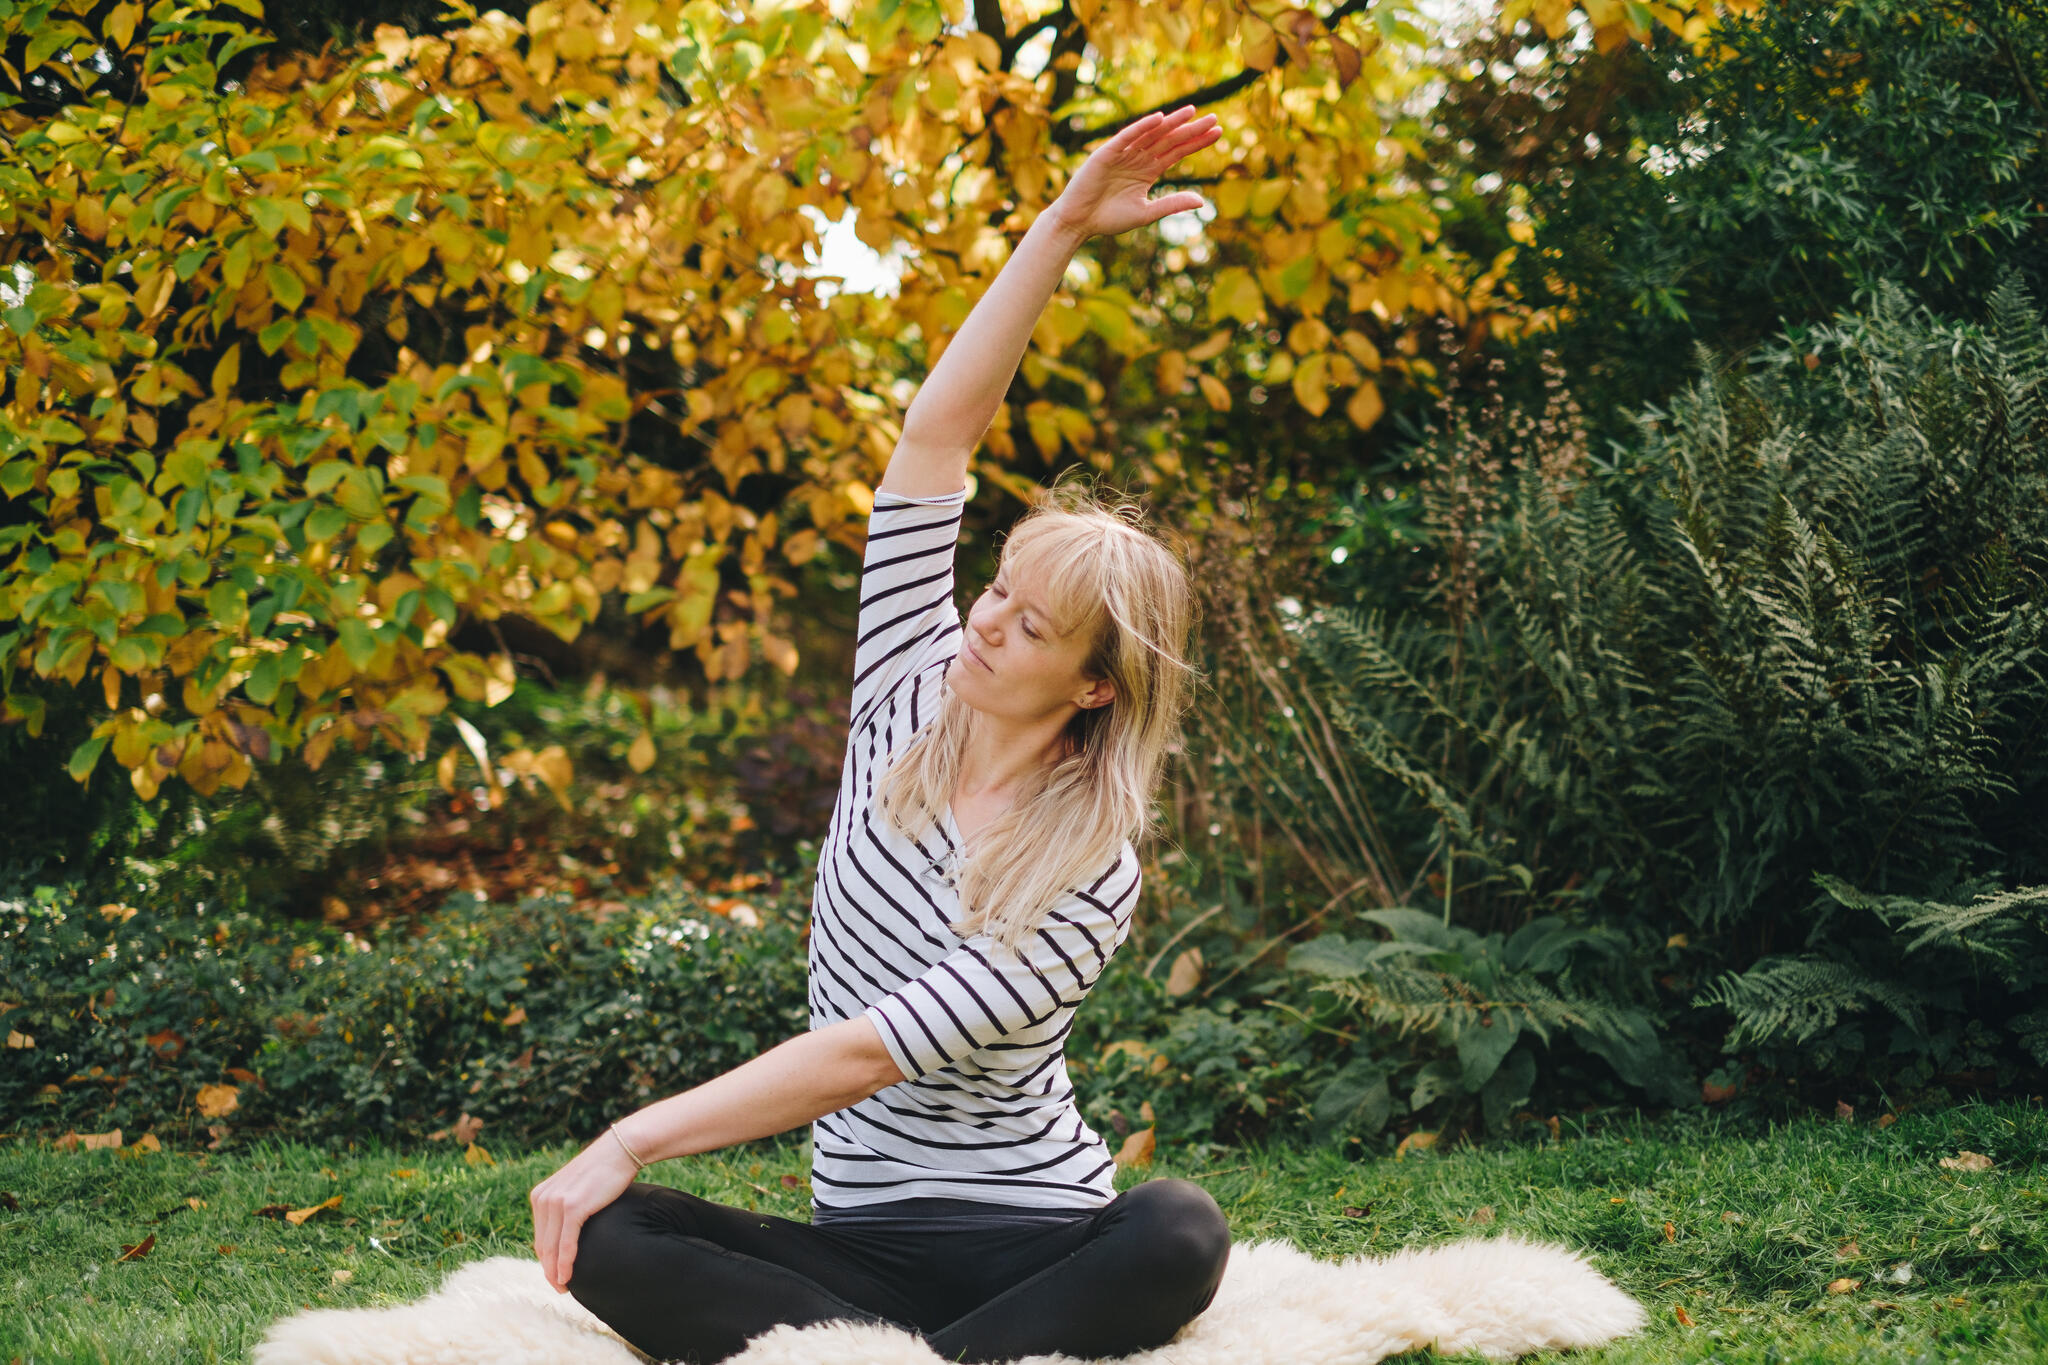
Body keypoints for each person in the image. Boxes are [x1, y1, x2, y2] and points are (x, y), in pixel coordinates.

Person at [528, 104, 1230, 1365]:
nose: (986, 623)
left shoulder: (1089, 867)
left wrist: (632, 1128)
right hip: (854, 1237)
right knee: (615, 1239)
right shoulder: (903, 689)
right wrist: (1062, 224)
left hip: (1035, 1236)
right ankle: (963, 1353)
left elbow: (869, 1051)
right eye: (996, 589)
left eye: (1028, 629)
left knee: (1178, 1231)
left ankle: (919, 1355)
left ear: (1091, 688)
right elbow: (933, 437)